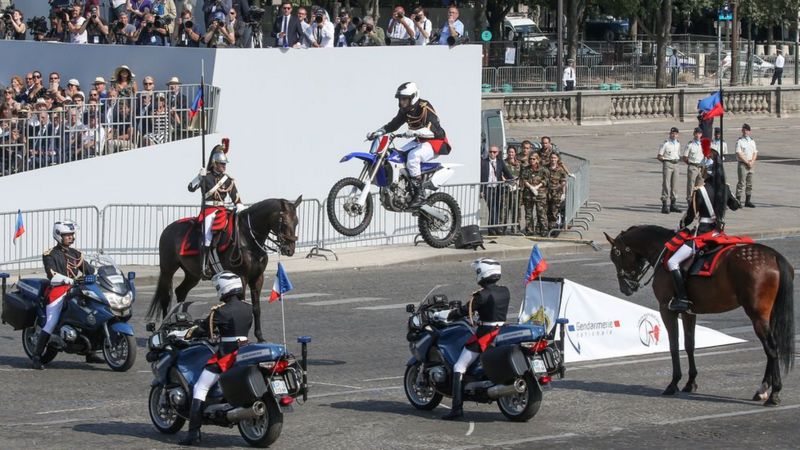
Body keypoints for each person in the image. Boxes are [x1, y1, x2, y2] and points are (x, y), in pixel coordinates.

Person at [179, 271, 253, 445]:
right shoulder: (249, 308)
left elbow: (203, 330)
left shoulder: (220, 312)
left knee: (200, 387)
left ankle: (193, 434)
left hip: (226, 355)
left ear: (223, 289)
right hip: (245, 350)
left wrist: (191, 331)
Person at [666, 150, 740, 312]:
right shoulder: (725, 188)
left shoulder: (700, 191)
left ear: (705, 170)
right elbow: (736, 206)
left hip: (703, 234)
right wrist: (727, 191)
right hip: (719, 234)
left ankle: (683, 299)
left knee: (672, 262)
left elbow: (690, 218)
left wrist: (680, 226)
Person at [442, 258, 510, 420]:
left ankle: (456, 409)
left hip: (485, 334)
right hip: (501, 331)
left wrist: (447, 314)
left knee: (459, 366)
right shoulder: (505, 291)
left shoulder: (482, 295)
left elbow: (465, 311)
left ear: (482, 273)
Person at [367, 82, 449, 208]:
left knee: (413, 156)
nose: (402, 102)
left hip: (436, 141)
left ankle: (420, 194)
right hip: (420, 140)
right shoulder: (405, 110)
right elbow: (393, 124)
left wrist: (415, 132)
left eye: (404, 99)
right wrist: (378, 132)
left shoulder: (424, 107)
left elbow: (434, 131)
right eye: (400, 99)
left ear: (413, 97)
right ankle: (403, 187)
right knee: (395, 154)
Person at [33, 221, 97, 369]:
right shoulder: (50, 254)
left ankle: (91, 353)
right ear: (58, 236)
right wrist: (68, 280)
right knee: (51, 322)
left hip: (76, 290)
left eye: (71, 234)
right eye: (67, 235)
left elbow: (89, 270)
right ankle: (36, 356)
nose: (70, 237)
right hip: (58, 291)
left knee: (91, 314)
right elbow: (52, 274)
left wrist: (99, 273)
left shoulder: (75, 254)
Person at [188, 145, 244, 277]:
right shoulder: (206, 177)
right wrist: (198, 177)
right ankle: (204, 266)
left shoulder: (228, 180)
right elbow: (190, 188)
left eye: (225, 164)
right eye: (221, 164)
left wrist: (239, 204)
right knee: (207, 237)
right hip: (209, 210)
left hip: (223, 210)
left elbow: (235, 195)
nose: (224, 166)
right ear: (214, 164)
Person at [480, 145, 513, 235]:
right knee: (492, 207)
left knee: (497, 208)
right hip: (487, 188)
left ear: (497, 153)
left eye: (494, 152)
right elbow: (480, 177)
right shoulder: (483, 162)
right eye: (490, 152)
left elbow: (508, 173)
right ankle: (493, 228)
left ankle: (493, 228)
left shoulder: (500, 162)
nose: (492, 153)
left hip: (497, 188)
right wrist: (481, 190)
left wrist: (510, 181)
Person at [520, 154, 549, 236]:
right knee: (528, 214)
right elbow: (524, 179)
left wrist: (537, 187)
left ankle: (544, 230)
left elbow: (545, 180)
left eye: (533, 159)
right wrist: (531, 187)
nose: (531, 160)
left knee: (541, 213)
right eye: (530, 159)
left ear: (537, 160)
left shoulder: (543, 169)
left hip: (540, 194)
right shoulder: (526, 169)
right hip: (528, 193)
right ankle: (529, 230)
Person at [657, 126, 682, 214]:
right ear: (670, 134)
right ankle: (664, 204)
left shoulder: (678, 143)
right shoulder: (666, 144)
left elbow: (678, 154)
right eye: (672, 133)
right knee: (666, 184)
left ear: (678, 135)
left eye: (675, 134)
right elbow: (659, 156)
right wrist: (665, 162)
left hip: (676, 163)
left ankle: (673, 204)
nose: (674, 135)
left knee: (675, 185)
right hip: (668, 163)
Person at [735, 123, 757, 208]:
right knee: (741, 183)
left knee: (750, 183)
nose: (745, 132)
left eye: (747, 130)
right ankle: (738, 201)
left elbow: (755, 152)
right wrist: (747, 162)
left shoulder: (752, 141)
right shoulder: (740, 141)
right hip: (743, 164)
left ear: (749, 131)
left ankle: (748, 201)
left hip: (751, 164)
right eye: (744, 130)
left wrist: (752, 162)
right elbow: (739, 153)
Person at [546, 152, 568, 231]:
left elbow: (563, 182)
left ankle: (553, 229)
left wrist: (563, 193)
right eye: (552, 158)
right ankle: (546, 228)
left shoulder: (560, 170)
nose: (553, 160)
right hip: (546, 193)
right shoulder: (545, 168)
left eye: (555, 158)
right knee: (546, 211)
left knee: (554, 212)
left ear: (557, 159)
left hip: (556, 194)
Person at [501, 146, 521, 233]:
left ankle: (515, 228)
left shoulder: (519, 164)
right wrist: (505, 181)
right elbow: (500, 173)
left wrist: (518, 183)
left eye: (512, 152)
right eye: (509, 152)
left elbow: (522, 175)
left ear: (515, 153)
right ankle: (503, 228)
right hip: (506, 188)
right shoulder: (503, 163)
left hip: (516, 189)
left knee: (515, 209)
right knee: (504, 209)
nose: (511, 154)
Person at [682, 127, 704, 206]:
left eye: (699, 133)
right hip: (693, 166)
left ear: (701, 135)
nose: (697, 135)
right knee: (691, 185)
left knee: (700, 185)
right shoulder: (690, 144)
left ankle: (699, 200)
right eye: (696, 133)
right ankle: (689, 200)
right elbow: (685, 157)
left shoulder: (703, 144)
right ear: (694, 134)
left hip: (701, 167)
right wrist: (690, 164)